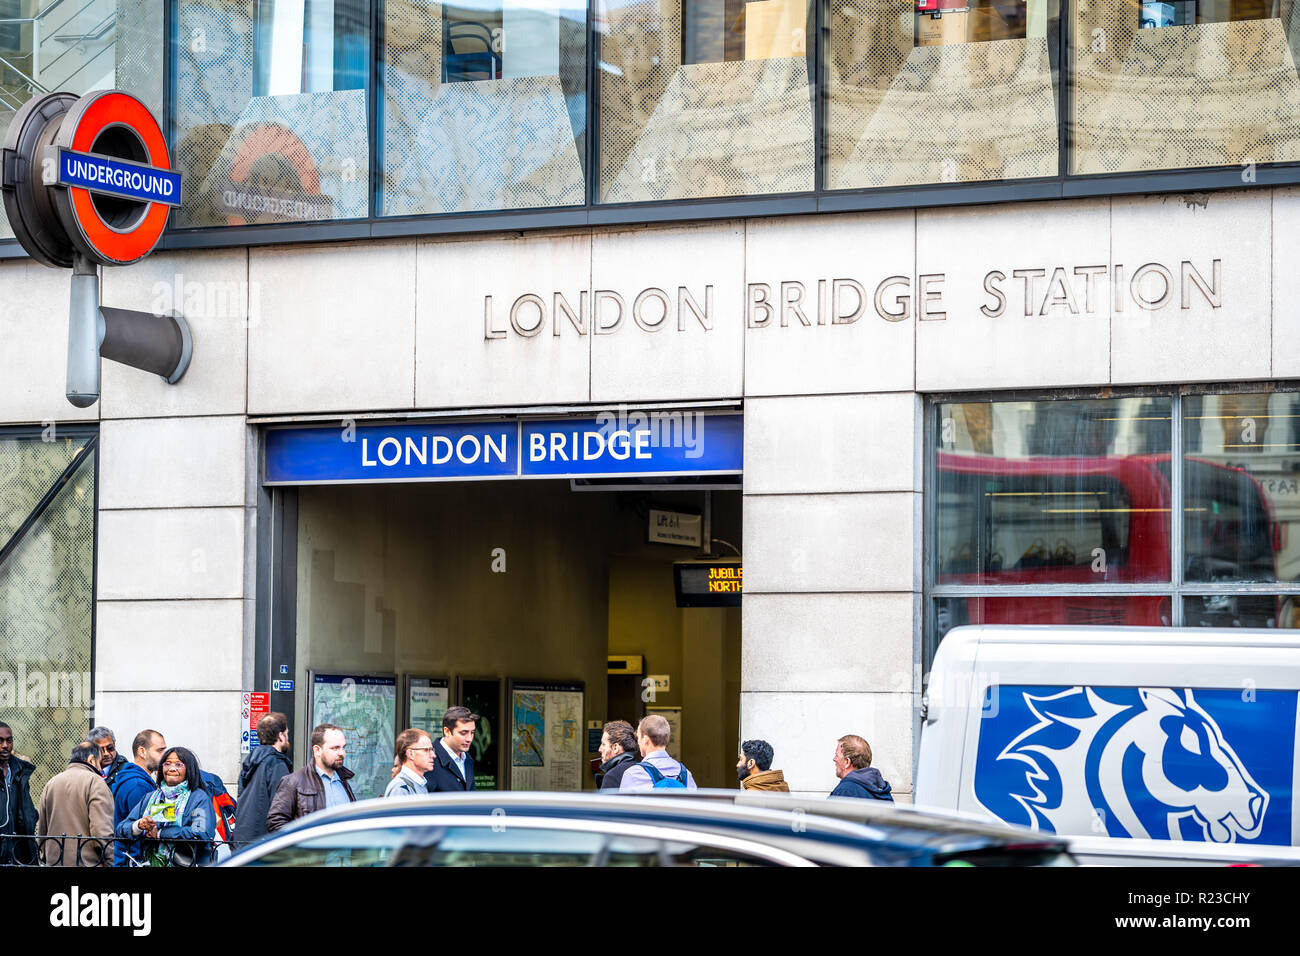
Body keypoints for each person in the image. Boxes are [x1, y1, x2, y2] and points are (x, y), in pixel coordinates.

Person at [115, 746, 217, 866]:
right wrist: (138, 825)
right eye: (167, 764)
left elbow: (201, 832)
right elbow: (121, 829)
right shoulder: (151, 797)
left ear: (189, 769)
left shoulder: (198, 798)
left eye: (179, 765)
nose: (172, 769)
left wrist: (160, 833)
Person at [37, 740, 114, 866]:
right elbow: (102, 832)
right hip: (87, 863)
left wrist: (46, 857)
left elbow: (42, 830)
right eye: (100, 763)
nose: (101, 769)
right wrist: (112, 861)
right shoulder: (95, 782)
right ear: (91, 760)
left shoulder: (51, 783)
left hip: (55, 862)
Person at [266, 724, 355, 831]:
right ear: (317, 750)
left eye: (343, 747)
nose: (342, 753)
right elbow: (276, 822)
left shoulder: (344, 781)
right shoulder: (293, 782)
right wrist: (302, 845)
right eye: (335, 748)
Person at [110, 729, 166, 866]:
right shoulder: (138, 785)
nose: (165, 756)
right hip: (135, 860)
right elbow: (144, 827)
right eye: (160, 750)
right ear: (142, 752)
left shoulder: (135, 779)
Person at [235, 712, 292, 845]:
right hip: (264, 845)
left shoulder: (251, 761)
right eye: (287, 734)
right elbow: (281, 809)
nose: (288, 738)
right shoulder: (276, 764)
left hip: (244, 841)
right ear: (280, 736)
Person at [618, 715, 697, 791]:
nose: (638, 742)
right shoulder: (686, 774)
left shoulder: (633, 774)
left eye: (638, 737)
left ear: (645, 740)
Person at [0, 722, 38, 865]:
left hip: (19, 853)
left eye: (9, 740)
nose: (5, 745)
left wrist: (33, 816)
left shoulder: (19, 771)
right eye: (0, 740)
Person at [426, 706, 476, 792]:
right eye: (463, 733)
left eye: (472, 733)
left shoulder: (467, 759)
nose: (469, 739)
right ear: (447, 731)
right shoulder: (428, 759)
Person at [829, 734, 893, 801]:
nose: (834, 759)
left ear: (847, 762)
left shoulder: (845, 791)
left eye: (837, 755)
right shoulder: (884, 793)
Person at [385, 728, 433, 797]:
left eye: (431, 750)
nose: (433, 755)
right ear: (410, 754)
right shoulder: (400, 788)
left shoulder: (420, 784)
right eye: (426, 750)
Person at [595, 720, 639, 790]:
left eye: (603, 744)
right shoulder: (641, 771)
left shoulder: (612, 776)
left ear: (615, 747)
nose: (599, 749)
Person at [89, 726, 126, 790]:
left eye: (110, 748)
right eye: (101, 750)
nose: (106, 753)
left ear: (114, 745)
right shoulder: (85, 769)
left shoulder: (125, 770)